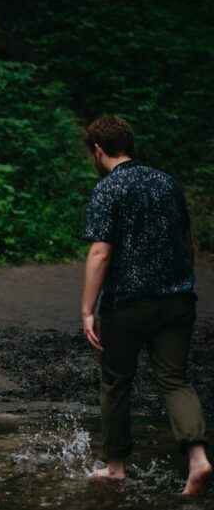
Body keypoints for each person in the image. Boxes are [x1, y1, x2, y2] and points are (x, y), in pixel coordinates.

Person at [81, 115, 212, 495]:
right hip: (177, 300)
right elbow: (187, 243)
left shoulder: (108, 189)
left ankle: (116, 466)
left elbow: (100, 254)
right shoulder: (167, 183)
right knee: (175, 380)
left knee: (117, 383)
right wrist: (182, 284)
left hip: (126, 307)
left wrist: (88, 310)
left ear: (98, 150)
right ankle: (198, 459)